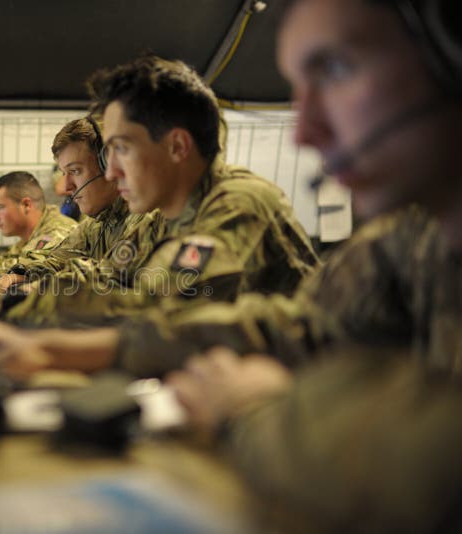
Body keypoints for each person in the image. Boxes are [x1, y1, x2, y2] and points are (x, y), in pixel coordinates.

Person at [164, 0, 462, 529]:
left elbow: (437, 474)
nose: (304, 133)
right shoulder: (417, 231)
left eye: (338, 69)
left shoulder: (237, 199)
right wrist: (113, 346)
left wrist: (260, 413)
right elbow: (307, 326)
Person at [2, 55, 319, 326]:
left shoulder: (238, 202)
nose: (111, 172)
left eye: (122, 149)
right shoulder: (163, 218)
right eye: (107, 155)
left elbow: (160, 314)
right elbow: (106, 280)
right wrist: (15, 302)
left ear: (177, 146)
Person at [0, 117, 164, 290]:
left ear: (109, 164)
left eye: (75, 171)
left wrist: (36, 288)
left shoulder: (145, 218)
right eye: (64, 173)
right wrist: (22, 274)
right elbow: (57, 261)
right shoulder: (95, 225)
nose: (67, 186)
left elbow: (109, 280)